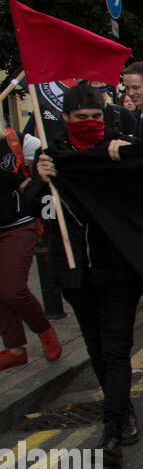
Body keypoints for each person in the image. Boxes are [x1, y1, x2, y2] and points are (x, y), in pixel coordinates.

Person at [23, 85, 139, 467]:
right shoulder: (52, 158)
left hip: (117, 270)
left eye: (95, 117)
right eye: (79, 118)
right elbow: (31, 209)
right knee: (96, 349)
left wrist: (126, 161)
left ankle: (112, 428)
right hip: (74, 274)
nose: (89, 124)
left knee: (117, 349)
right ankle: (122, 409)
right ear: (65, 120)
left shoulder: (115, 149)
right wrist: (40, 179)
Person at [0, 111, 60, 370]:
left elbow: (47, 164)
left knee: (12, 288)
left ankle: (45, 330)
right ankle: (14, 348)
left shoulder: (17, 141)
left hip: (17, 223)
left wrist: (29, 183)